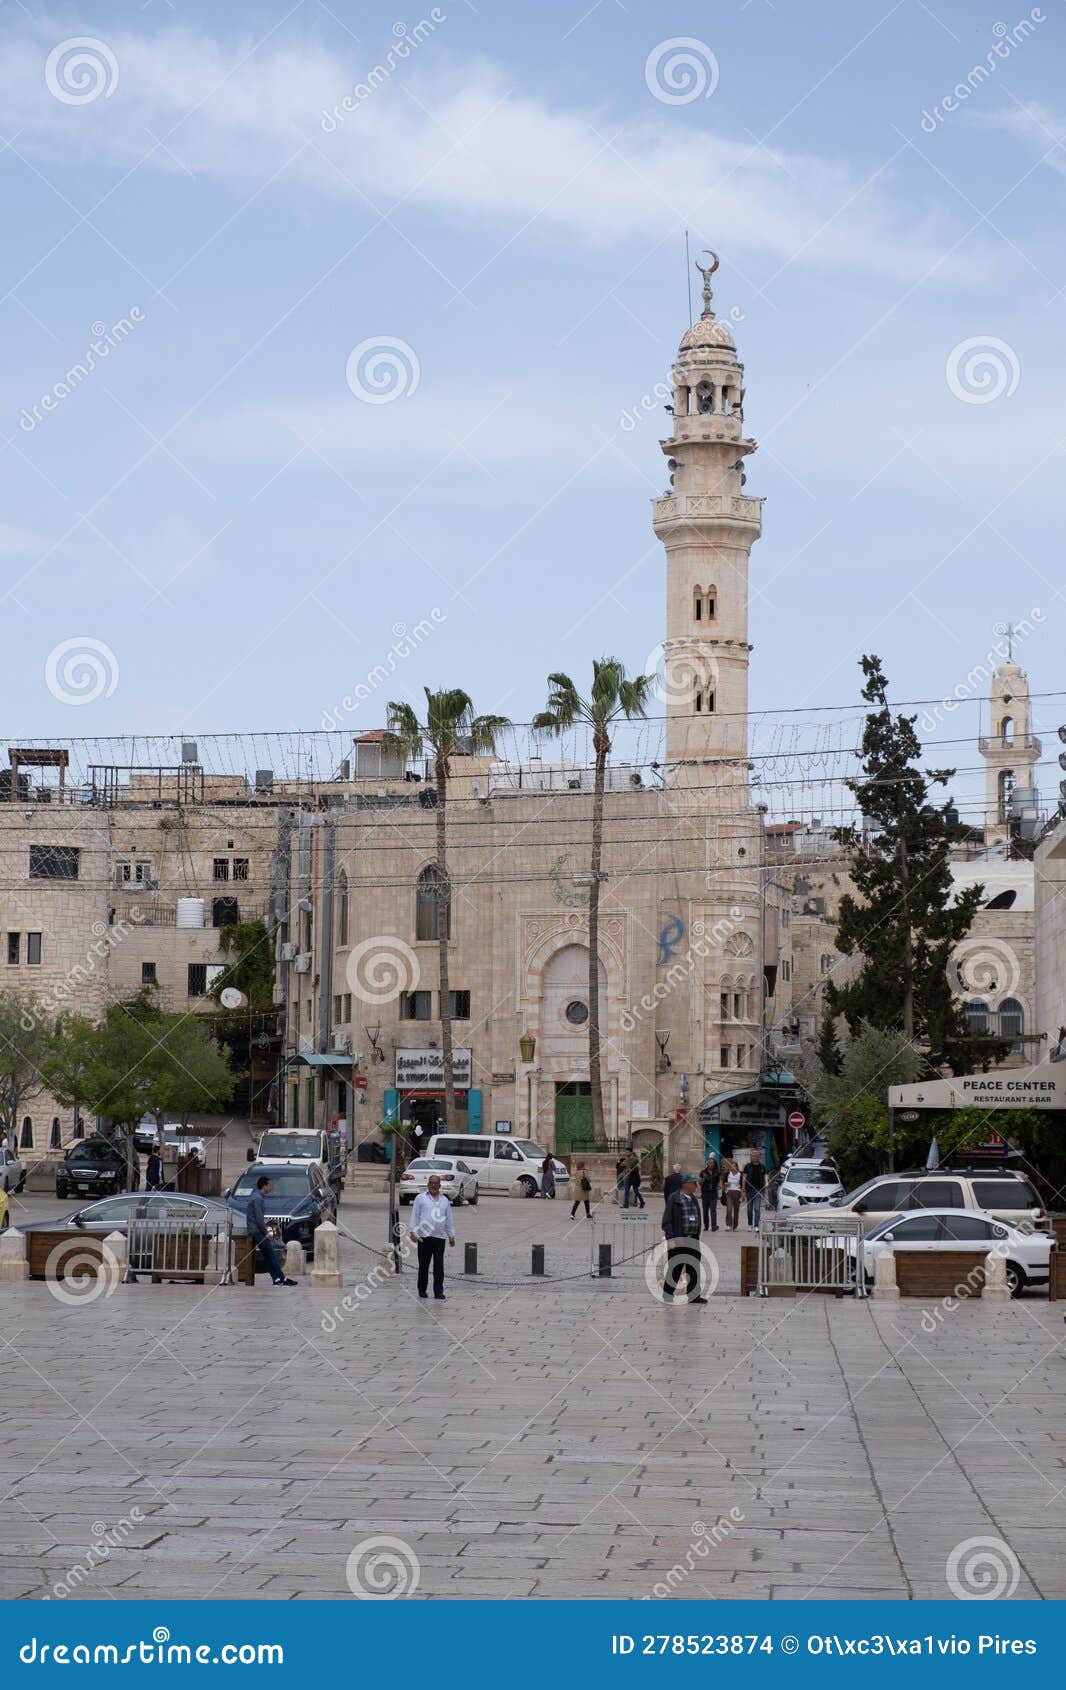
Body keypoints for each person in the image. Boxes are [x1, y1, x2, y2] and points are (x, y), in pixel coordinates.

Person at [660, 1173, 707, 1304]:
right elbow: (666, 1220)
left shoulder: (693, 1198)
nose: (696, 1186)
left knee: (693, 1268)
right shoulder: (674, 1199)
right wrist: (670, 1238)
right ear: (685, 1184)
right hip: (678, 1239)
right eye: (694, 1183)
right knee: (675, 1268)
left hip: (693, 1239)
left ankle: (694, 1296)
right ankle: (668, 1294)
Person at [409, 1173, 455, 1299]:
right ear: (428, 1185)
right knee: (423, 1265)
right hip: (424, 1237)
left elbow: (449, 1219)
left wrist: (451, 1235)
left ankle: (438, 1292)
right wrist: (412, 1231)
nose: (433, 1186)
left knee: (439, 1266)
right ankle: (422, 1290)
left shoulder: (444, 1200)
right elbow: (415, 1215)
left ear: (439, 1186)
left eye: (436, 1184)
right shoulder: (420, 1198)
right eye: (431, 1183)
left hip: (440, 1237)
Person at [245, 1176, 297, 1287]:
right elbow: (259, 1218)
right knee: (272, 1254)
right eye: (269, 1185)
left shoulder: (257, 1196)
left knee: (268, 1255)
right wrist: (266, 1233)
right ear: (264, 1186)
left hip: (255, 1230)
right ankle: (282, 1278)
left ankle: (276, 1279)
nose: (271, 1187)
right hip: (257, 1231)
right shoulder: (257, 1198)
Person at [743, 1151, 767, 1230]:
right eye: (752, 1156)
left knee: (757, 1208)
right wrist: (743, 1189)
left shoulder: (762, 1167)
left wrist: (764, 1190)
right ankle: (750, 1224)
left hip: (758, 1190)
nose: (753, 1157)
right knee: (749, 1209)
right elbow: (744, 1178)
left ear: (758, 1157)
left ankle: (756, 1225)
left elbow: (764, 1179)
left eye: (755, 1156)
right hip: (749, 1190)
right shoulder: (747, 1166)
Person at [698, 1155, 720, 1232]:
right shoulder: (703, 1172)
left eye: (712, 1163)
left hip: (713, 1194)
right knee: (705, 1211)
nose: (711, 1164)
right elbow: (700, 1183)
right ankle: (706, 1226)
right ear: (707, 1164)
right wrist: (704, 1178)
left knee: (713, 1210)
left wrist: (719, 1188)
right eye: (710, 1163)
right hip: (705, 1194)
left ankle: (714, 1226)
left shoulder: (716, 1172)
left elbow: (718, 1182)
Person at [722, 1161, 743, 1231]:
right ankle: (729, 1225)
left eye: (735, 1166)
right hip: (729, 1192)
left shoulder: (740, 1175)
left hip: (737, 1193)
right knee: (729, 1209)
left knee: (736, 1210)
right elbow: (723, 1183)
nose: (733, 1167)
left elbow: (742, 1185)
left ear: (737, 1167)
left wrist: (743, 1194)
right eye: (732, 1166)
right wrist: (726, 1184)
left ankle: (735, 1226)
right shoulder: (728, 1174)